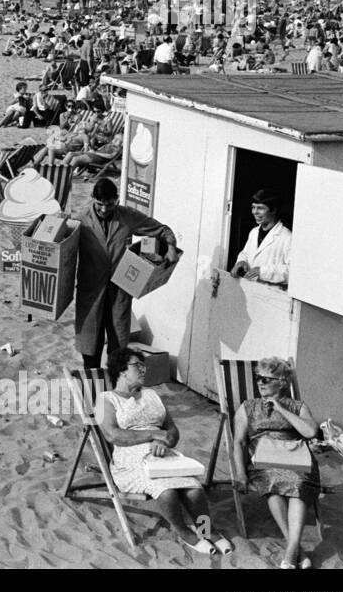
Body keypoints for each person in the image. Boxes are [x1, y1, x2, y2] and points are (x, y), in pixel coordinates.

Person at [100, 348, 233, 556]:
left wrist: (166, 440)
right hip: (130, 459)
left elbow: (172, 431)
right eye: (137, 365)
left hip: (163, 454)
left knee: (195, 490)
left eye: (144, 365)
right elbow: (112, 435)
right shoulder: (105, 399)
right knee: (168, 492)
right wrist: (154, 435)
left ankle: (208, 530)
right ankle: (184, 532)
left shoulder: (152, 395)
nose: (144, 369)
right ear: (122, 371)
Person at [74, 177, 181, 377]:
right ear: (92, 200)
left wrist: (172, 247)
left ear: (116, 200)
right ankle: (92, 395)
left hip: (119, 291)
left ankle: (116, 392)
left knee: (117, 348)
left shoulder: (127, 216)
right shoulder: (81, 220)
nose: (104, 210)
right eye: (99, 205)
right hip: (90, 293)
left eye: (109, 205)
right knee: (90, 348)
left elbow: (161, 229)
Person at [230, 356, 320, 569]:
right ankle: (295, 550)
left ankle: (291, 550)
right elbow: (239, 442)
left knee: (299, 484)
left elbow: (310, 431)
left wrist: (280, 408)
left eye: (266, 379)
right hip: (264, 459)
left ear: (282, 382)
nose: (260, 382)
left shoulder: (298, 407)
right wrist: (241, 474)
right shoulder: (247, 407)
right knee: (273, 484)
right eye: (258, 378)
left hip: (296, 457)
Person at [230, 188, 292, 286]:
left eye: (260, 208)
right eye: (253, 207)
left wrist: (263, 271)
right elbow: (245, 254)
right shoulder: (254, 232)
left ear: (273, 210)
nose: (255, 212)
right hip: (250, 289)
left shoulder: (287, 237)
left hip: (272, 294)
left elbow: (292, 272)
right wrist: (241, 261)